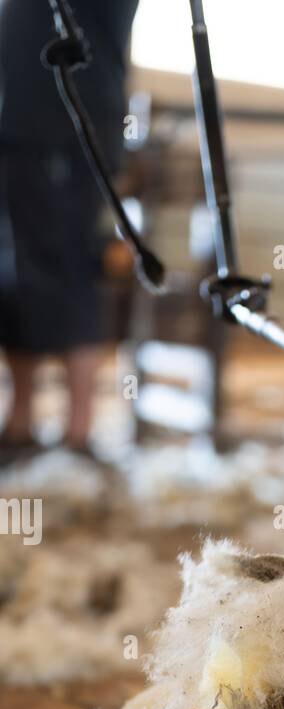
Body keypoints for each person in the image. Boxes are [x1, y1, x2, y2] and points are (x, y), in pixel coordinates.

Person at [0, 0, 139, 463]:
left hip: (72, 118)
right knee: (16, 266)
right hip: (17, 117)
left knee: (73, 266)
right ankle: (20, 421)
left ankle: (79, 430)